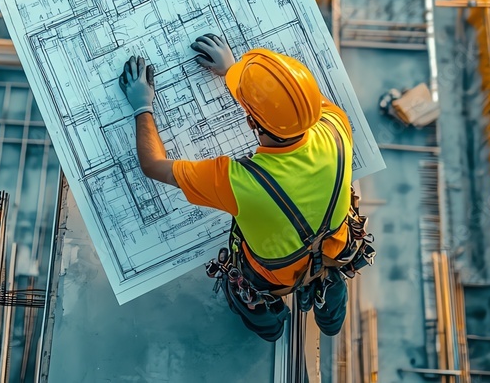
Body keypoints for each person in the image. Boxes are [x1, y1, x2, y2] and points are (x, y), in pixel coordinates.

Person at [118, 34, 373, 342]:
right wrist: (233, 72)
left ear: (252, 123)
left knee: (245, 293)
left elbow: (153, 164)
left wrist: (141, 106)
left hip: (274, 275)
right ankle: (329, 297)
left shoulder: (239, 182)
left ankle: (270, 325)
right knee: (327, 271)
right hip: (336, 244)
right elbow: (291, 105)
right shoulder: (335, 124)